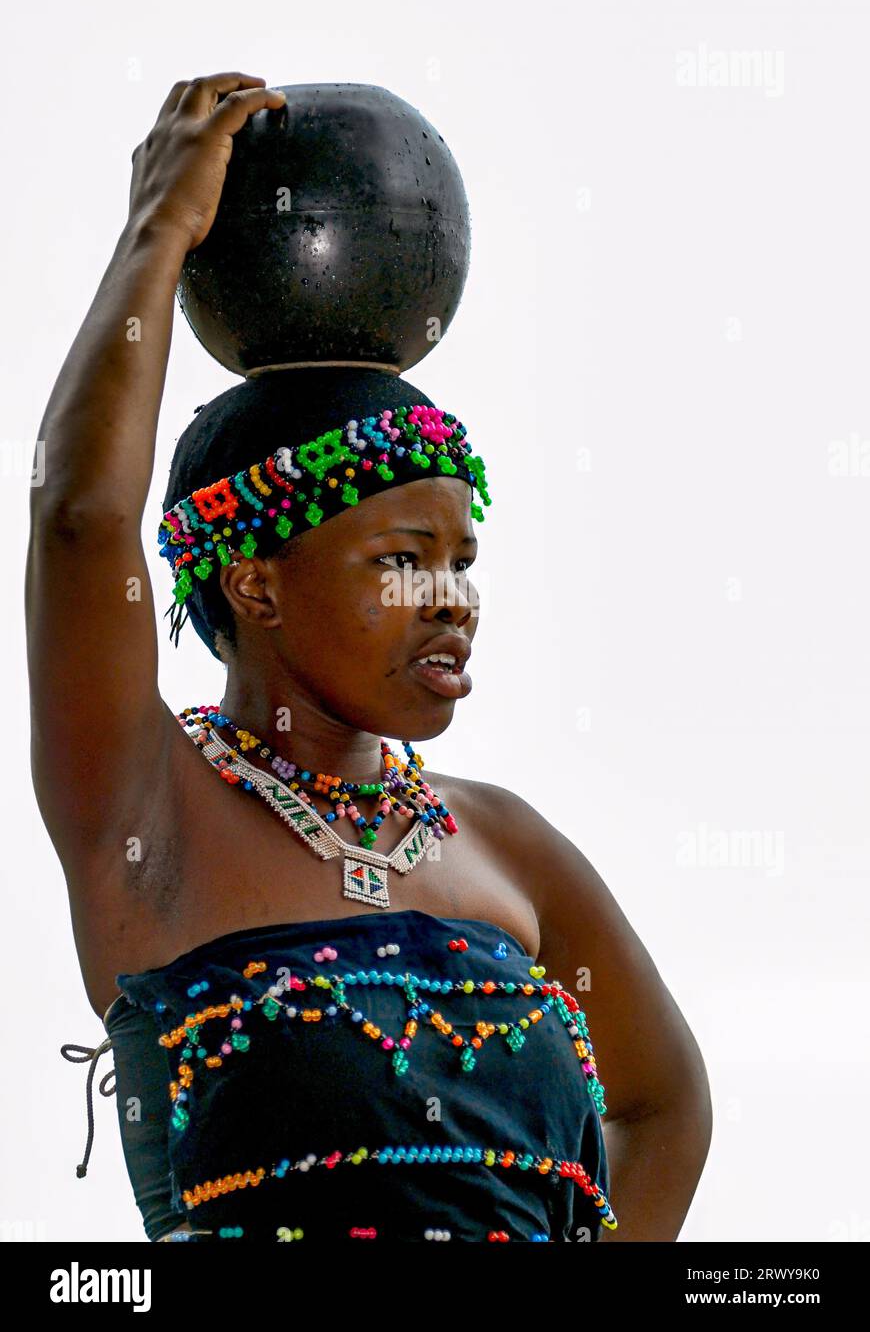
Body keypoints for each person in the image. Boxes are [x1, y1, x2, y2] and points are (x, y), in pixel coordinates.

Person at [26, 72, 712, 1243]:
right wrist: (159, 229)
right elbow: (82, 520)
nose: (453, 601)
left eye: (463, 559)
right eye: (404, 558)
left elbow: (663, 1102)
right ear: (257, 581)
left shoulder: (510, 846)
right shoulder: (146, 817)